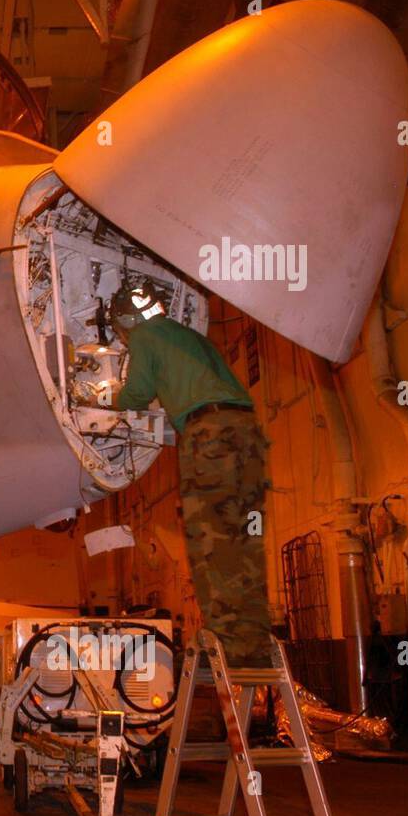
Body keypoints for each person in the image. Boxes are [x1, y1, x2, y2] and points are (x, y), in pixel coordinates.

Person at [110, 285, 274, 668]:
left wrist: (107, 401)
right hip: (245, 432)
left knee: (209, 541)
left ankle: (228, 649)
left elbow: (137, 393)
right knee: (243, 541)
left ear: (125, 320)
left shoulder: (145, 337)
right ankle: (252, 644)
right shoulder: (188, 336)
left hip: (209, 435)